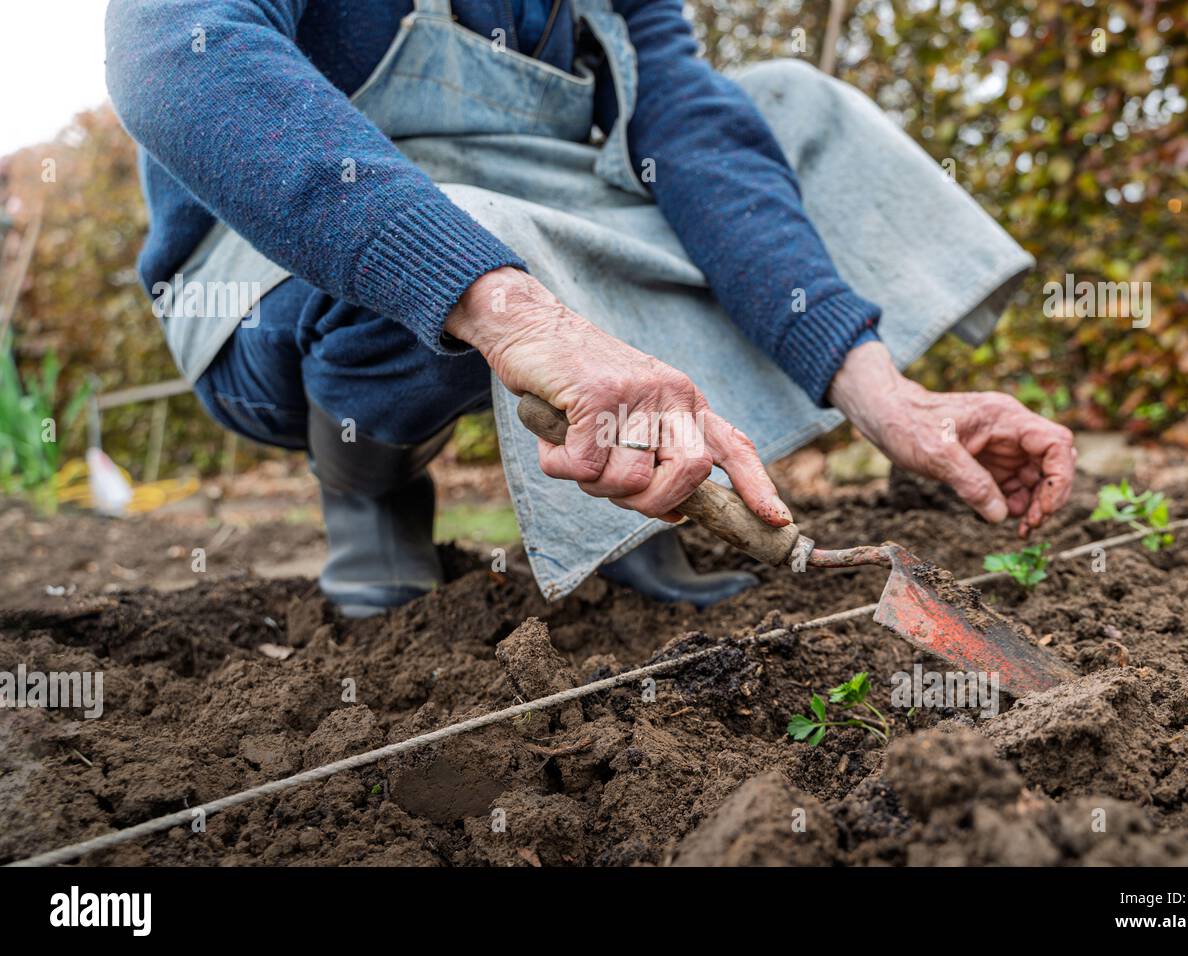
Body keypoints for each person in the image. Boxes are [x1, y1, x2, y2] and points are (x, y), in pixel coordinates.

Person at [106, 0, 1075, 616]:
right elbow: (173, 53)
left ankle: (625, 512)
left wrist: (883, 392)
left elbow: (697, 142)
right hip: (272, 273)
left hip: (523, 220)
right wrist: (521, 314)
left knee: (782, 108)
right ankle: (371, 495)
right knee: (471, 236)